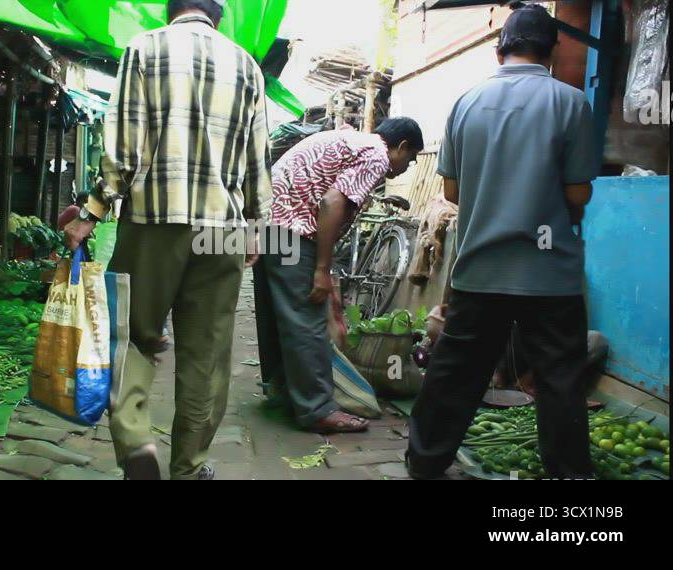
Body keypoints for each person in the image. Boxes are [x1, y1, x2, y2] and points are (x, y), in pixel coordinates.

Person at [63, 0, 272, 480]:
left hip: (153, 221)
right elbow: (259, 155)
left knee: (132, 338)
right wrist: (258, 223)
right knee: (207, 352)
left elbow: (122, 143)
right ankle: (189, 466)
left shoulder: (144, 49)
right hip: (221, 229)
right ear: (216, 16)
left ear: (171, 9)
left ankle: (137, 440)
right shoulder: (247, 66)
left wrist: (93, 212)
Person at [406, 3, 598, 479]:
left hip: (480, 267)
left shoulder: (466, 102)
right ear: (552, 52)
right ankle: (568, 475)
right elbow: (578, 194)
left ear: (499, 50)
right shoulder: (571, 103)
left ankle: (425, 462)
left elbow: (452, 191)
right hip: (548, 272)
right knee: (559, 379)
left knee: (456, 372)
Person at [255, 118, 423, 433]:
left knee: (278, 313)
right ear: (400, 146)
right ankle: (317, 409)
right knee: (306, 319)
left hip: (270, 222)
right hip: (293, 226)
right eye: (410, 157)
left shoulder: (352, 140)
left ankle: (283, 390)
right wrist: (321, 270)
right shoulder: (376, 154)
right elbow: (332, 202)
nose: (406, 166)